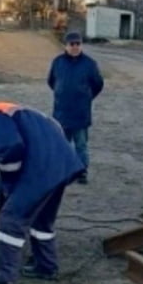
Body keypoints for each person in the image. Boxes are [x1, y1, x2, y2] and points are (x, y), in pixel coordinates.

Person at [0, 95, 84, 284]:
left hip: (41, 170)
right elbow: (53, 127)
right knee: (42, 221)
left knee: (10, 218)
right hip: (63, 166)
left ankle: (5, 279)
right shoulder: (12, 111)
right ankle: (46, 267)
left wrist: (9, 183)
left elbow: (11, 148)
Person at [47, 31, 104, 180]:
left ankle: (81, 171)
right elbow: (51, 81)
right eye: (72, 44)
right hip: (62, 112)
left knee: (81, 145)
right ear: (65, 45)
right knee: (62, 144)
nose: (75, 47)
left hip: (81, 113)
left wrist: (86, 98)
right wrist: (61, 94)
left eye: (78, 44)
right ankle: (63, 171)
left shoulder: (90, 64)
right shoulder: (57, 62)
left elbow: (98, 84)